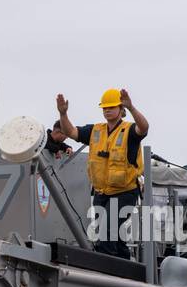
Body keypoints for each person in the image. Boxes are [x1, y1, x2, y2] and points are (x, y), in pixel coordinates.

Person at [56, 87, 150, 259]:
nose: (107, 110)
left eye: (111, 107)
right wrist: (63, 114)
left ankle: (107, 273)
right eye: (105, 107)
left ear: (121, 110)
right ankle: (127, 270)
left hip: (125, 192)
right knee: (115, 236)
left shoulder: (129, 130)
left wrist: (132, 107)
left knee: (107, 232)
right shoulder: (95, 130)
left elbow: (143, 128)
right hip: (101, 193)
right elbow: (70, 132)